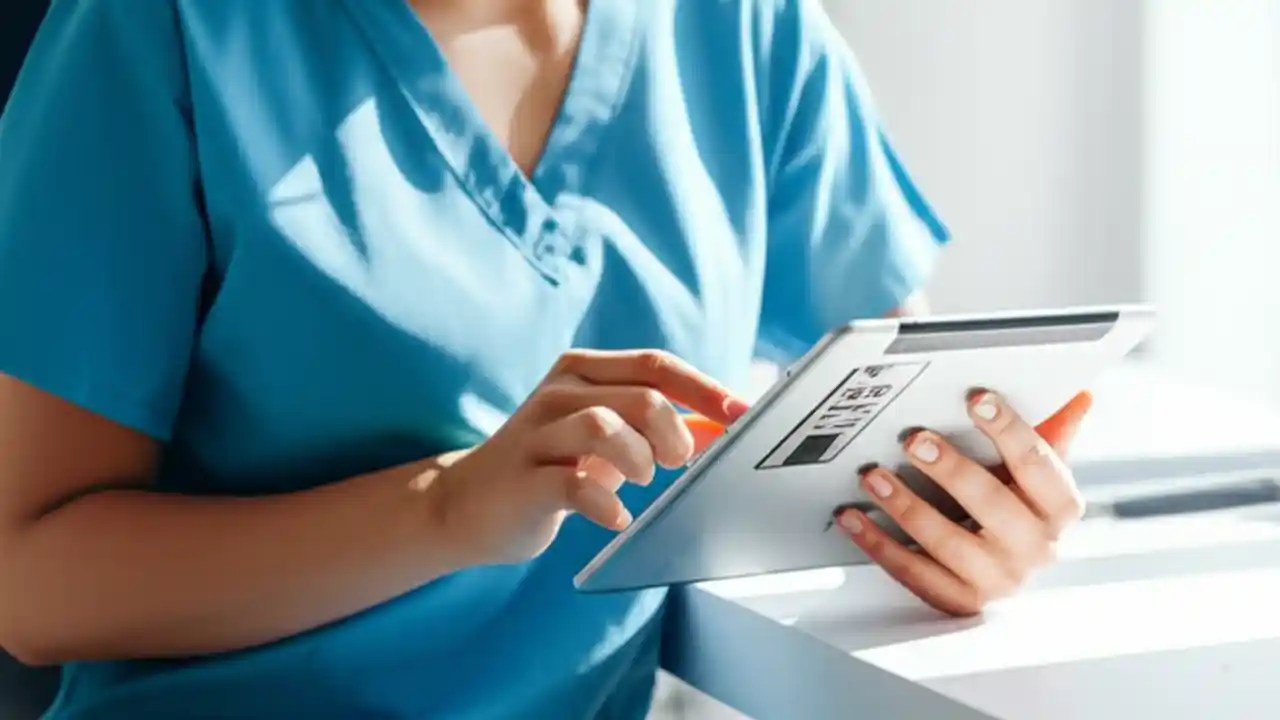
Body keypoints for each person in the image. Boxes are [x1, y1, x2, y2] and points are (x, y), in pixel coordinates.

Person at [0, 0, 1090, 717]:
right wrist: (442, 508)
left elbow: (900, 418)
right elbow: (31, 581)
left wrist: (963, 527)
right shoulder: (165, 33)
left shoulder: (746, 32)